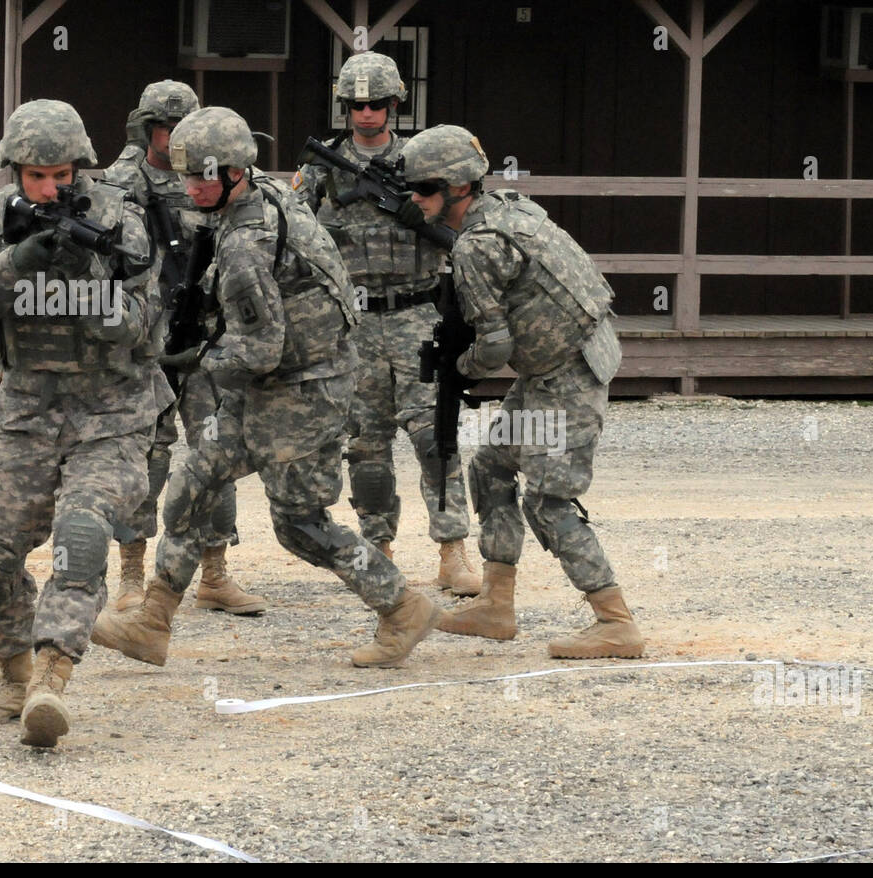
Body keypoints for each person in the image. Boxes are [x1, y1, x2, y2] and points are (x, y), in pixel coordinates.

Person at [92, 107, 441, 669]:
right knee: (191, 486)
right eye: (186, 175)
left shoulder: (245, 245)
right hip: (282, 382)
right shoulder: (261, 196)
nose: (191, 188)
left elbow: (258, 350)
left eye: (204, 175)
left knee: (300, 526)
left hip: (304, 391)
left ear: (234, 171)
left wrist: (193, 357)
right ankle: (152, 622)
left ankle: (401, 607)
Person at [0, 99, 165, 746]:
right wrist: (15, 266)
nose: (49, 188)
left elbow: (143, 328)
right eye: (35, 176)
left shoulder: (118, 220)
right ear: (14, 171)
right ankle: (12, 676)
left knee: (82, 538)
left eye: (61, 175)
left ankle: (51, 681)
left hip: (111, 413)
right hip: (28, 413)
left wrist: (89, 278)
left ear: (81, 168)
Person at [399, 125, 645, 659]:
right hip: (552, 370)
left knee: (547, 499)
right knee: (491, 465)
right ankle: (496, 604)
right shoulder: (511, 209)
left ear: (458, 187)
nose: (414, 200)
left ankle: (615, 621)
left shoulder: (478, 247)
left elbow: (492, 347)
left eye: (423, 188)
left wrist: (454, 368)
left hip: (568, 375)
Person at [293, 51, 480, 595]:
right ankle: (377, 548)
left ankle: (452, 549)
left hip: (418, 312)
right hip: (355, 320)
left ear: (395, 104)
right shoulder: (324, 167)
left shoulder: (420, 160)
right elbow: (288, 219)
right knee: (366, 445)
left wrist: (419, 214)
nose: (367, 114)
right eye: (356, 105)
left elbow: (462, 213)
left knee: (434, 435)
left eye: (377, 104)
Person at [104, 79, 266, 616]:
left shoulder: (218, 177)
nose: (172, 138)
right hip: (145, 335)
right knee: (145, 452)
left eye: (181, 129)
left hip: (203, 333)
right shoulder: (120, 182)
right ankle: (131, 574)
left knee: (213, 447)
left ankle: (215, 572)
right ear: (145, 128)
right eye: (163, 128)